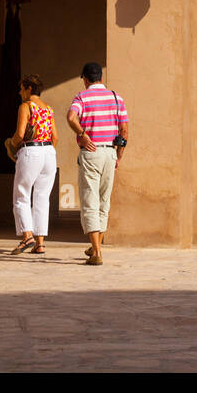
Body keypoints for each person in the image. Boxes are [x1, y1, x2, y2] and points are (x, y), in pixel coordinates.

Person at [67, 62, 128, 266]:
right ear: (101, 77)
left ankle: (97, 252)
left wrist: (82, 134)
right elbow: (124, 131)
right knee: (104, 201)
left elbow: (71, 117)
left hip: (91, 152)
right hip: (109, 153)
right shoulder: (116, 98)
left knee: (89, 202)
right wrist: (118, 155)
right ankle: (95, 245)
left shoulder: (82, 97)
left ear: (85, 78)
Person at [7, 73, 57, 255]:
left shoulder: (26, 106)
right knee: (42, 198)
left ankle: (27, 235)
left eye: (21, 89)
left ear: (29, 89)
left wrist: (11, 144)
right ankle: (40, 243)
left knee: (21, 195)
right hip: (49, 152)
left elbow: (20, 134)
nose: (20, 92)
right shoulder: (48, 109)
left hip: (31, 151)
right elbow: (55, 137)